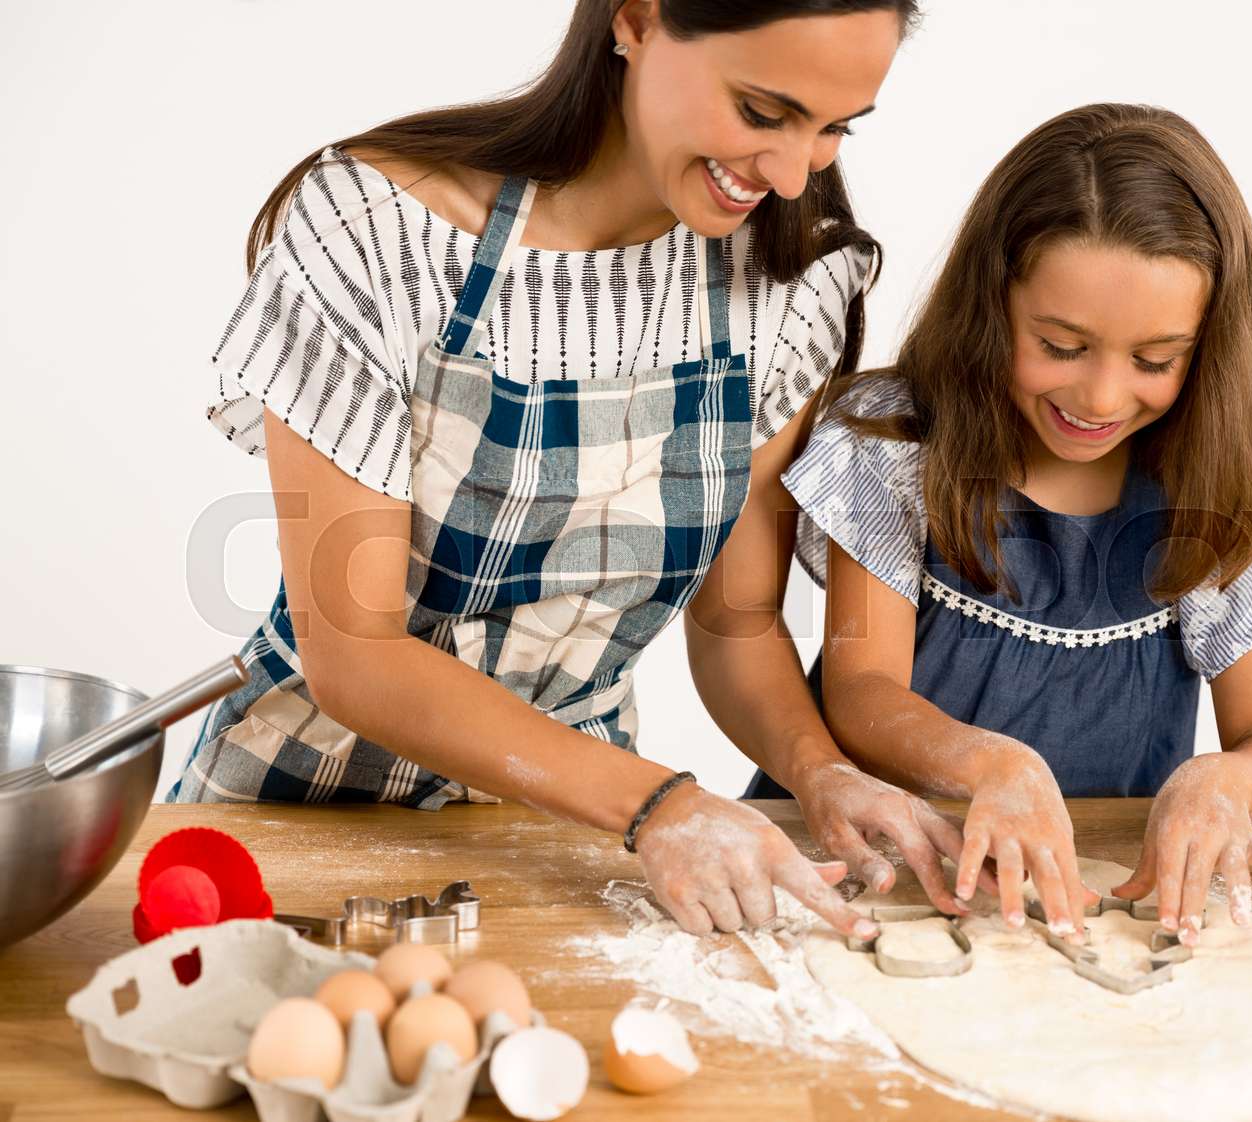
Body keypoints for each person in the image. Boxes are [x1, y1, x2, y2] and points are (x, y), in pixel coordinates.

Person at [170, 0, 968, 942]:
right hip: (294, 820)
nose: (795, 174)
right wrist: (662, 805)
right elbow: (358, 655)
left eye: (833, 128)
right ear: (635, 21)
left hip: (566, 837)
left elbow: (736, 622)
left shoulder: (792, 281)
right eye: (762, 112)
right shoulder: (378, 232)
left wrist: (817, 768)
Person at [746, 103, 1252, 948]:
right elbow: (861, 694)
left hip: (1091, 896)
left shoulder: (1229, 486)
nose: (1103, 397)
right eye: (1062, 345)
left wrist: (1226, 782)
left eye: (1155, 360)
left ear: (1209, 344)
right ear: (991, 302)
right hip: (873, 870)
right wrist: (988, 764)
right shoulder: (893, 449)